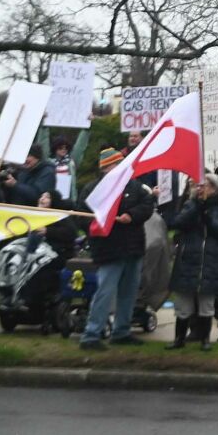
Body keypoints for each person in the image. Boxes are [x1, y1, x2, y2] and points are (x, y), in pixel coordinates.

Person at [79, 149, 155, 350]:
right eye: (116, 163)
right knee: (105, 291)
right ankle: (91, 334)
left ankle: (121, 330)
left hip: (132, 247)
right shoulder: (93, 189)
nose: (121, 167)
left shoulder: (133, 186)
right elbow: (82, 216)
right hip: (108, 248)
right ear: (105, 167)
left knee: (129, 292)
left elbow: (147, 205)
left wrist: (131, 215)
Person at [167, 177, 218, 351]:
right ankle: (179, 338)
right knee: (183, 304)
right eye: (201, 186)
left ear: (216, 188)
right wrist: (197, 208)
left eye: (207, 186)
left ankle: (205, 339)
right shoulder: (190, 205)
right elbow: (176, 223)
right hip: (188, 260)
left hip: (210, 260)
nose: (202, 188)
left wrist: (210, 220)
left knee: (207, 304)